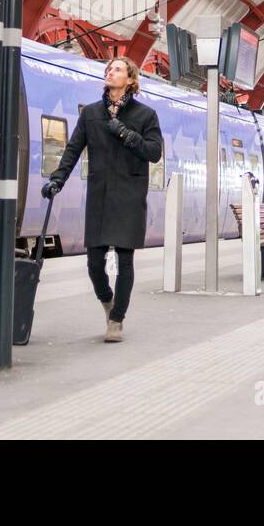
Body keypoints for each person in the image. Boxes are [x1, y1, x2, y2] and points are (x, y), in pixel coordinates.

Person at [41, 56, 163, 343]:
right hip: (100, 195)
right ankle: (108, 302)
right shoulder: (91, 114)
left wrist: (126, 134)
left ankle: (117, 320)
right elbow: (73, 149)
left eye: (117, 69)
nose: (110, 72)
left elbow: (154, 152)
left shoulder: (146, 116)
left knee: (124, 260)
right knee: (94, 263)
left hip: (130, 195)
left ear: (131, 80)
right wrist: (58, 178)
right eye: (108, 69)